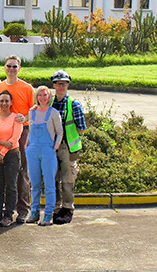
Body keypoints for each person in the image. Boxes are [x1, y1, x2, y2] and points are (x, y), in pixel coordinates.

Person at [0, 55, 34, 221]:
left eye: (14, 66)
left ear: (19, 68)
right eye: (9, 66)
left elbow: (35, 110)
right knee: (2, 173)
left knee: (21, 170)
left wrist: (25, 118)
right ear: (4, 67)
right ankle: (3, 209)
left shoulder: (27, 88)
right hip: (2, 134)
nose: (11, 69)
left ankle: (23, 209)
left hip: (21, 133)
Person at [51, 70, 86, 221]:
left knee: (67, 179)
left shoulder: (73, 104)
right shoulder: (50, 103)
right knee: (53, 178)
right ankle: (56, 208)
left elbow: (81, 128)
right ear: (54, 85)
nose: (62, 87)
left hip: (68, 147)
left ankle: (67, 209)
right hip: (52, 147)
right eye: (59, 84)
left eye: (64, 84)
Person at [26, 85, 63, 227]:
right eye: (40, 95)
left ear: (49, 97)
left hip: (48, 151)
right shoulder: (32, 112)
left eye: (45, 95)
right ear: (36, 97)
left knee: (49, 185)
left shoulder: (53, 113)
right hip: (33, 151)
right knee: (34, 184)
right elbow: (30, 130)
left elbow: (60, 132)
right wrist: (27, 146)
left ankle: (48, 214)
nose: (42, 98)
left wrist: (55, 148)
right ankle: (34, 212)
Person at [0, 90, 23, 226]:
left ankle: (8, 215)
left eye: (7, 101)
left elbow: (14, 138)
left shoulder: (16, 118)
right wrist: (2, 144)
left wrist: (3, 152)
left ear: (11, 102)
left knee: (11, 186)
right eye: (1, 101)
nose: (4, 103)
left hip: (12, 155)